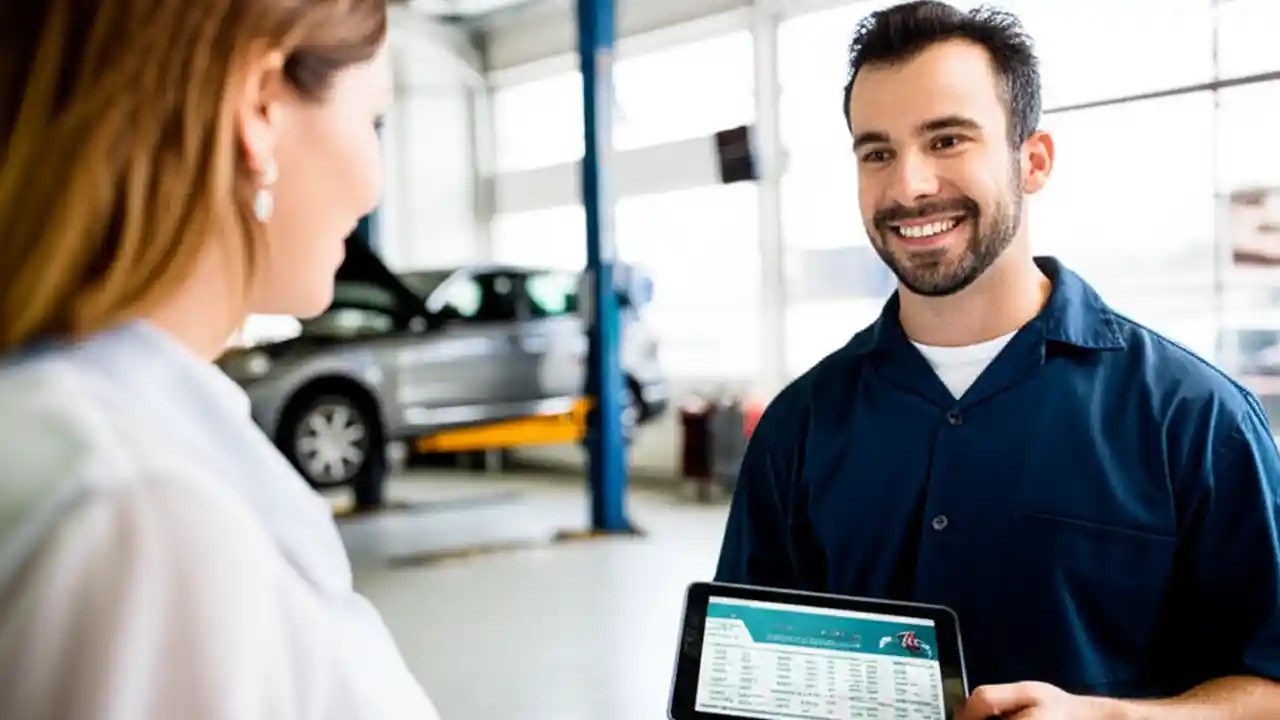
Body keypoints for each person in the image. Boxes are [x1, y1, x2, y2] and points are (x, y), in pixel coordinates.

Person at [714, 2, 1280, 718]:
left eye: (947, 139)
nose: (909, 185)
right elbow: (746, 680)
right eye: (877, 151)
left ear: (1032, 159)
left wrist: (1118, 717)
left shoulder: (1195, 418)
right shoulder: (801, 426)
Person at [0, 2, 440, 719]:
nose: (374, 180)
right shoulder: (141, 521)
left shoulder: (80, 436)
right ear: (261, 106)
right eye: (373, 120)